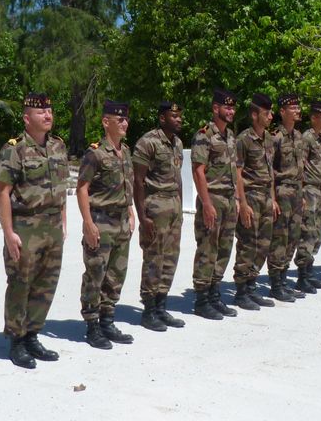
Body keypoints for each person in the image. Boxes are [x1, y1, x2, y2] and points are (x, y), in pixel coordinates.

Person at [0, 92, 70, 368]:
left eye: (49, 111)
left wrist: (63, 219)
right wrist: (8, 232)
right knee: (20, 284)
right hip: (25, 226)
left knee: (46, 284)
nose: (48, 115)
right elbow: (2, 193)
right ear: (27, 118)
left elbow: (61, 188)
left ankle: (32, 334)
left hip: (51, 225)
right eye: (41, 112)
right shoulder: (14, 149)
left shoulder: (58, 146)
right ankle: (16, 340)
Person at [76, 101, 136, 348]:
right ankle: (92, 325)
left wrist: (131, 210)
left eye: (126, 119)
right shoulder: (95, 153)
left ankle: (107, 320)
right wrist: (88, 223)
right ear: (105, 122)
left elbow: (126, 185)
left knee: (115, 275)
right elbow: (82, 188)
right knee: (95, 275)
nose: (124, 123)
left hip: (121, 223)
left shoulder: (126, 151)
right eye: (119, 119)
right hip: (101, 222)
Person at [133, 101, 186, 331]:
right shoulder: (148, 142)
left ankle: (161, 306)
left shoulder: (177, 143)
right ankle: (149, 310)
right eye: (173, 116)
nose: (179, 119)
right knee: (154, 258)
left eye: (179, 116)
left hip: (173, 206)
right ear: (162, 118)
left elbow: (178, 178)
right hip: (155, 206)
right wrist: (143, 216)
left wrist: (181, 207)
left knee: (170, 259)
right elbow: (138, 181)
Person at [190, 90, 239, 320]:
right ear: (215, 109)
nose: (230, 111)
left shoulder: (230, 135)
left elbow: (235, 171)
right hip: (213, 199)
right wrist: (206, 203)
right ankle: (201, 299)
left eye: (232, 108)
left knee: (224, 248)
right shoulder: (204, 135)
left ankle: (214, 293)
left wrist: (237, 199)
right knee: (208, 248)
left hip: (229, 199)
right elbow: (198, 171)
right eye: (226, 107)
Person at [232, 93, 280, 309]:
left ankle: (251, 285)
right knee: (248, 243)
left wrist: (273, 198)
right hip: (250, 195)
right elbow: (238, 173)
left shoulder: (270, 139)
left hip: (266, 197)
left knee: (263, 243)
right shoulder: (243, 139)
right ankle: (241, 290)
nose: (270, 116)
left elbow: (270, 171)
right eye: (266, 113)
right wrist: (242, 203)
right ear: (254, 115)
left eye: (270, 112)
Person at [267, 92, 305, 302]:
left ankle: (283, 277)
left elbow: (302, 167)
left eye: (298, 107)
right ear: (282, 112)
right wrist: (273, 198)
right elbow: (271, 169)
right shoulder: (276, 137)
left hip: (297, 192)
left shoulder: (298, 136)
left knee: (293, 237)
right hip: (282, 191)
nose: (298, 110)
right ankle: (275, 283)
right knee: (280, 238)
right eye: (293, 107)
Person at [294, 100, 321, 293]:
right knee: (307, 231)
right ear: (314, 118)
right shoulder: (307, 138)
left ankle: (309, 272)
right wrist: (301, 191)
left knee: (317, 231)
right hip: (309, 189)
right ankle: (302, 275)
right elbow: (301, 166)